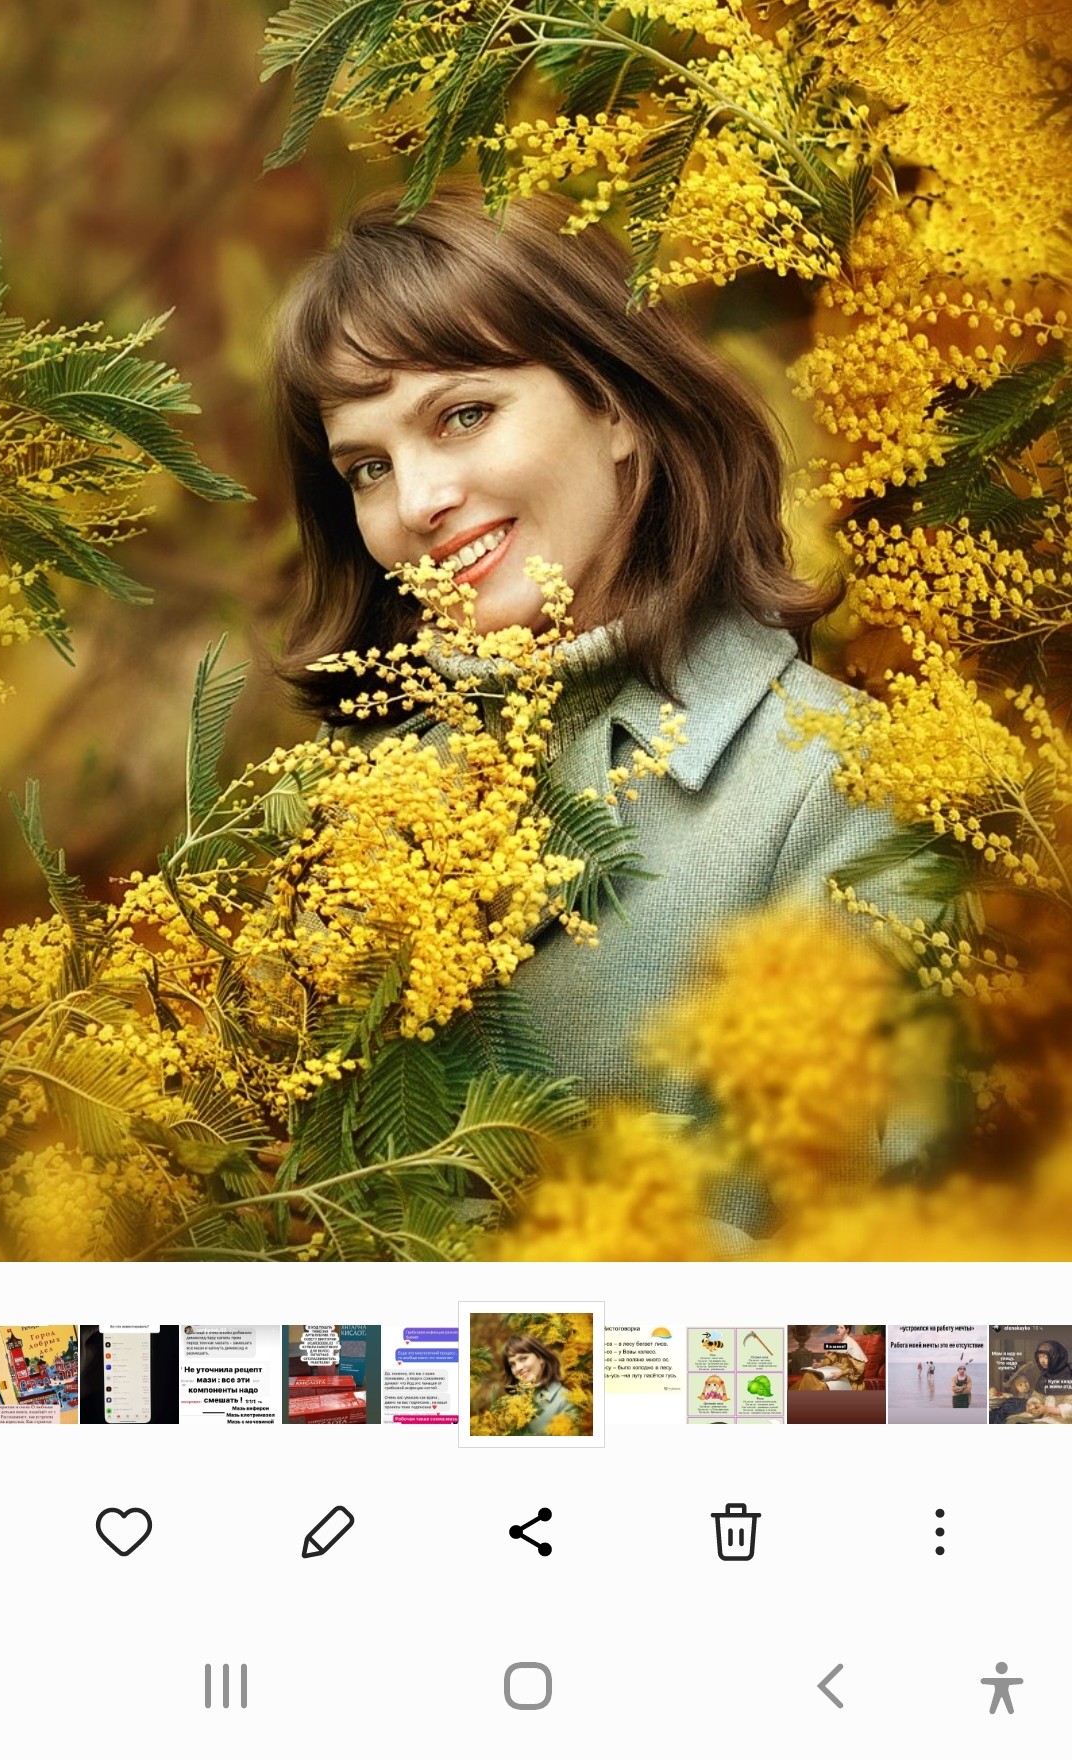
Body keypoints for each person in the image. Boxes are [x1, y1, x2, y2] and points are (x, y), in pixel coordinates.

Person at [268, 186, 928, 1218]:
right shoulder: (356, 811)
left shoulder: (847, 789)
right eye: (367, 468)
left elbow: (886, 1275)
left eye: (463, 415)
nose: (417, 503)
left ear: (614, 403)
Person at [500, 1334, 581, 1435]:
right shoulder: (510, 1403)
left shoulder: (566, 1400)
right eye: (512, 1364)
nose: (518, 1368)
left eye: (523, 1358)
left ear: (540, 1358)